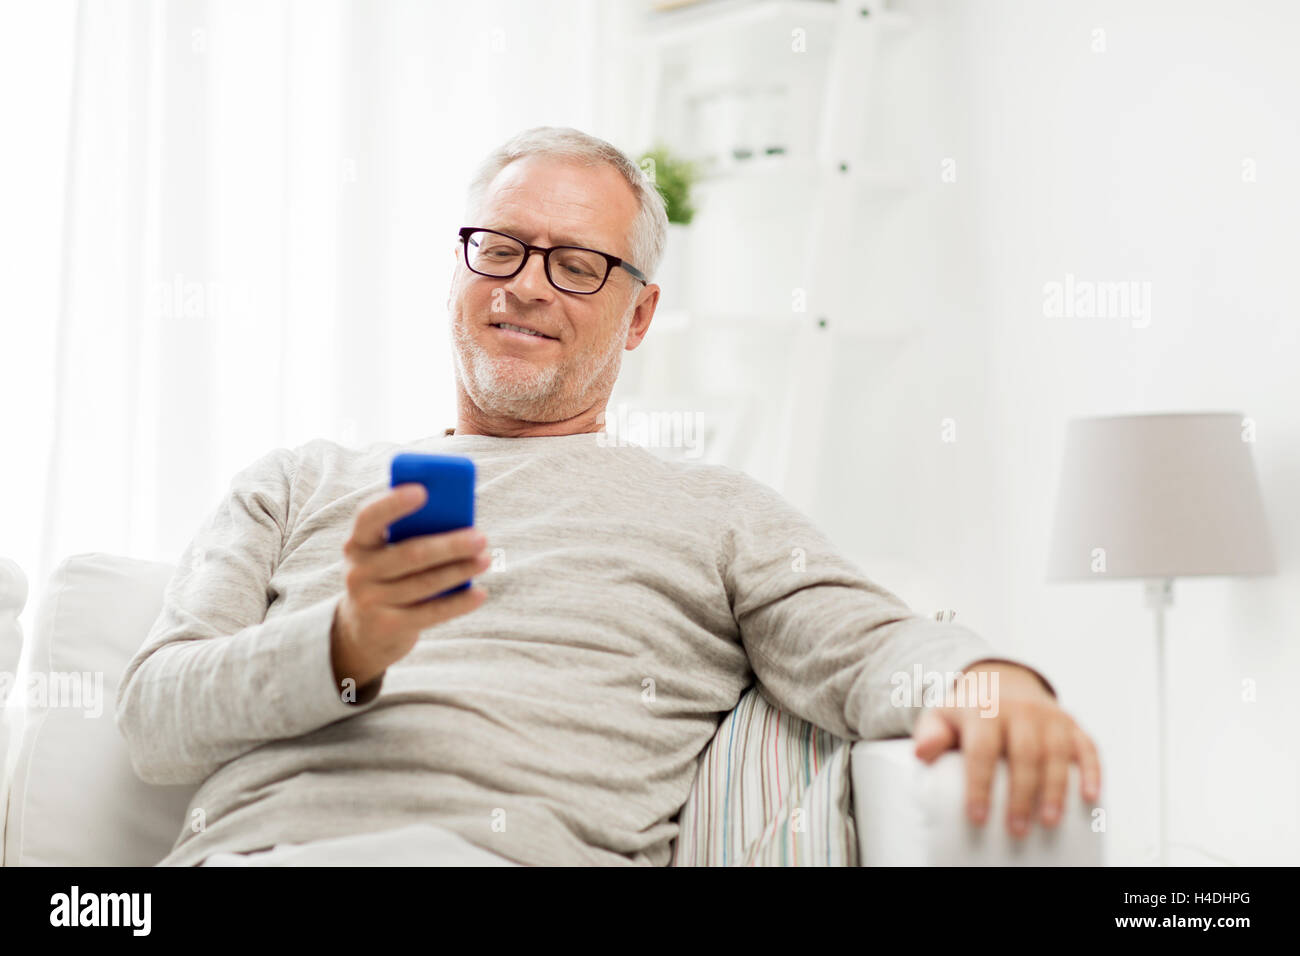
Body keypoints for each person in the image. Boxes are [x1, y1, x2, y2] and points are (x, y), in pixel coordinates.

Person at [116, 126, 1100, 867]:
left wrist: (994, 680)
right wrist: (344, 642)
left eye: (578, 264)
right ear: (460, 269)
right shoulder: (296, 483)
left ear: (640, 315)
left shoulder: (711, 510)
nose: (528, 284)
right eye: (499, 247)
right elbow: (153, 720)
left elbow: (866, 640)